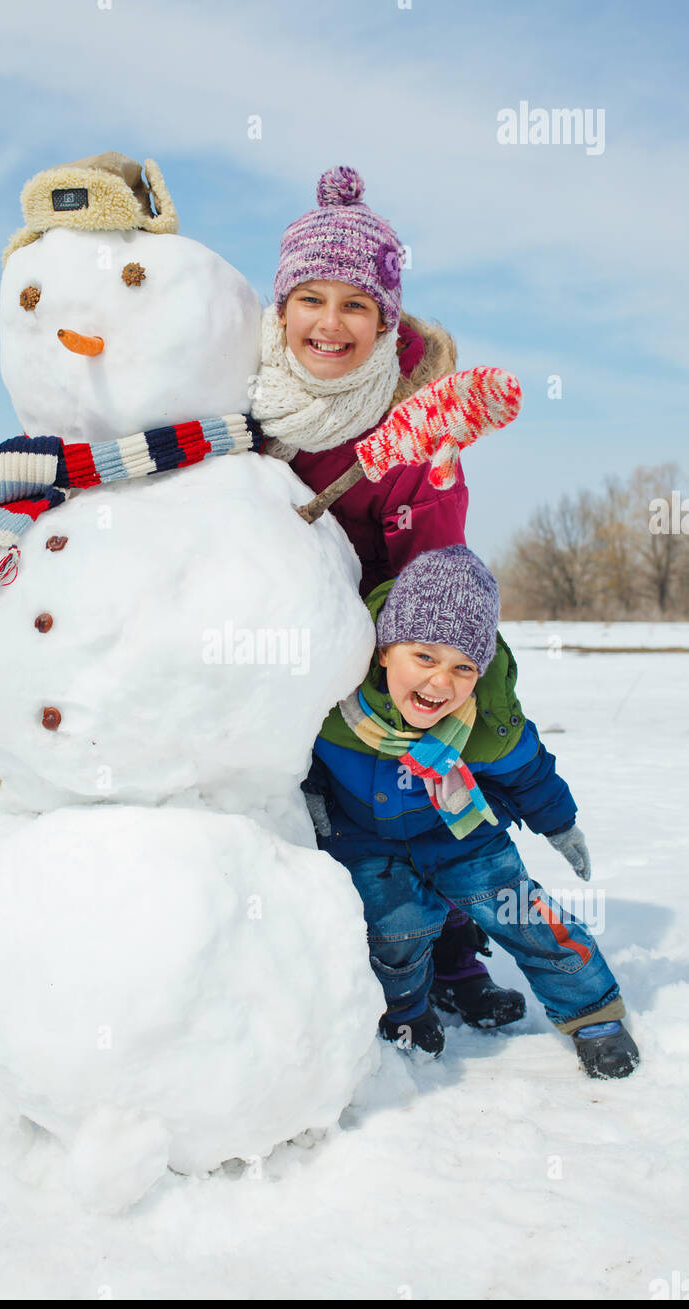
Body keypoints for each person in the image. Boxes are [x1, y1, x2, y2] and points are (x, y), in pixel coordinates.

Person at [252, 164, 524, 1028]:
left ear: (386, 318)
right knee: (322, 810)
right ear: (281, 308)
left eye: (356, 305)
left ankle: (449, 947)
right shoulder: (245, 405)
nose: (329, 324)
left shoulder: (415, 427)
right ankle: (338, 951)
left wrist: (405, 663)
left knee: (423, 790)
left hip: (392, 647)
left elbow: (436, 570)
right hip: (283, 644)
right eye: (311, 299)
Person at [305, 544, 640, 1080]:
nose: (441, 682)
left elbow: (530, 773)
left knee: (525, 916)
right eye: (425, 657)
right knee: (394, 929)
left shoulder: (486, 724)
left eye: (463, 667)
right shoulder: (334, 710)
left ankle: (593, 1013)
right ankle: (407, 1013)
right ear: (386, 650)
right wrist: (314, 803)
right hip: (366, 840)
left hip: (464, 835)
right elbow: (293, 758)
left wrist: (560, 823)